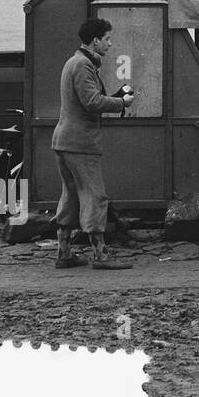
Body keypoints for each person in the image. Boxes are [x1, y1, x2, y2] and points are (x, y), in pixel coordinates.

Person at [50, 18, 133, 270]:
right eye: (107, 38)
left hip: (64, 141)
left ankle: (64, 252)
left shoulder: (74, 62)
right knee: (95, 196)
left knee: (72, 196)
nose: (110, 43)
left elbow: (88, 99)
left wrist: (113, 97)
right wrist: (121, 103)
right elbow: (91, 102)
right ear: (95, 40)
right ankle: (101, 254)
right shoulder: (84, 65)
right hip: (80, 143)